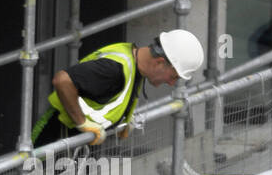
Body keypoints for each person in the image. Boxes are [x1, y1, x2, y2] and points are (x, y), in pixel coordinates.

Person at [32, 29, 206, 149]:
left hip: (69, 146)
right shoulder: (115, 70)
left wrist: (122, 121)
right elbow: (62, 80)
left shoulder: (133, 64)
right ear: (160, 63)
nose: (171, 83)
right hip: (54, 142)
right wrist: (82, 123)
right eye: (173, 76)